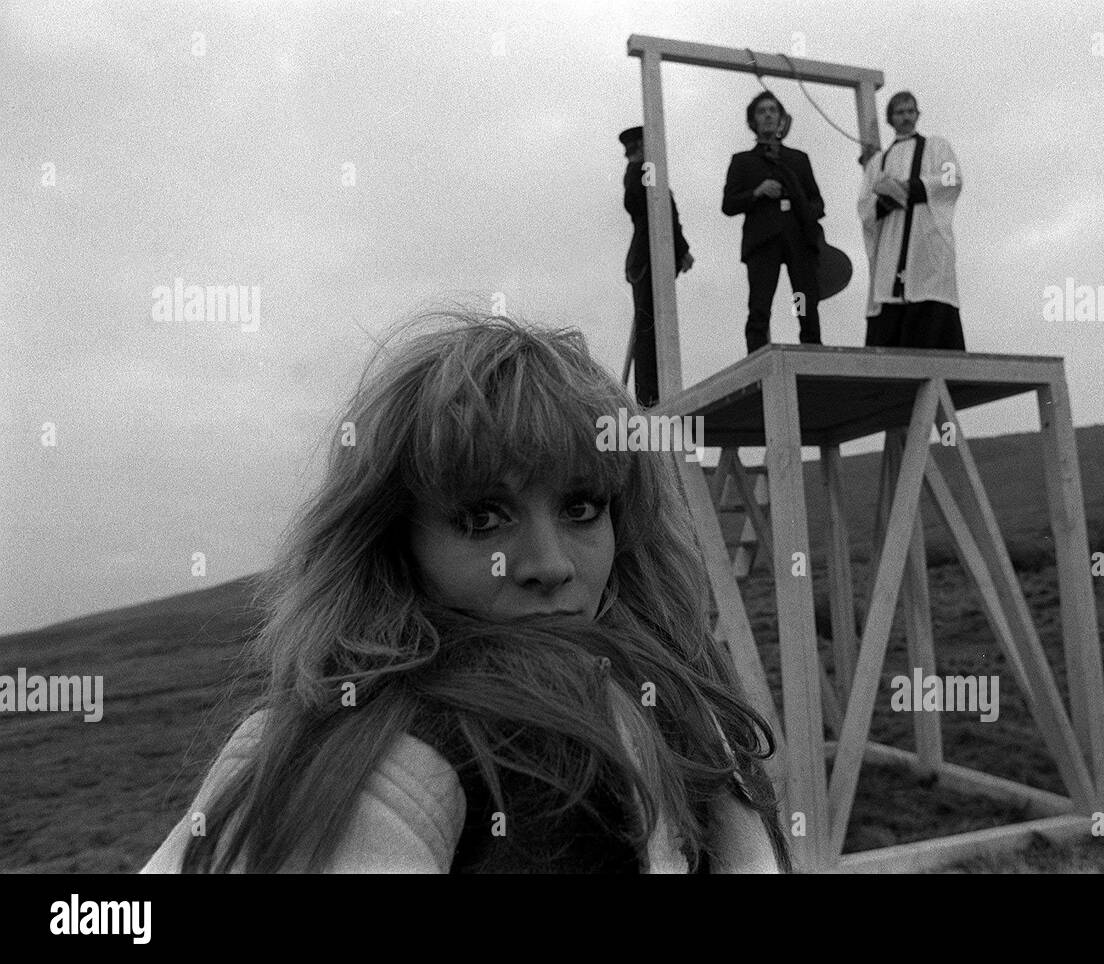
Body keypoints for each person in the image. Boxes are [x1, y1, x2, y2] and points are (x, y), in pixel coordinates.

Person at [141, 312, 789, 873]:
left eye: (582, 506)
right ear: (395, 543)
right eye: (483, 518)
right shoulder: (352, 755)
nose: (549, 564)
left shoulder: (687, 709)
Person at [858, 91, 966, 350]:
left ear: (918, 114)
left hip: (926, 242)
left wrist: (910, 188)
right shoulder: (878, 162)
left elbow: (953, 179)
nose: (906, 117)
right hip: (891, 246)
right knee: (890, 306)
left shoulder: (937, 146)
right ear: (890, 119)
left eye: (910, 111)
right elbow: (864, 207)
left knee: (929, 301)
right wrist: (885, 198)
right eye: (900, 112)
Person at [722, 92, 825, 354]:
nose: (768, 115)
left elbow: (817, 202)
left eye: (773, 111)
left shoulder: (798, 159)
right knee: (760, 305)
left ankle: (812, 352)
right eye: (761, 111)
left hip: (798, 239)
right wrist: (757, 192)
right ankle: (756, 358)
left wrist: (804, 210)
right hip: (762, 241)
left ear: (781, 119)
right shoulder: (742, 161)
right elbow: (729, 204)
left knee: (803, 301)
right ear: (753, 121)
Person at [620, 126, 693, 408]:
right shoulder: (637, 172)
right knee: (648, 326)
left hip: (658, 257)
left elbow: (668, 216)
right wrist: (643, 169)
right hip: (646, 259)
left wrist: (682, 249)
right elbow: (639, 206)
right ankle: (649, 396)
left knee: (656, 325)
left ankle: (656, 390)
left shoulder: (652, 176)